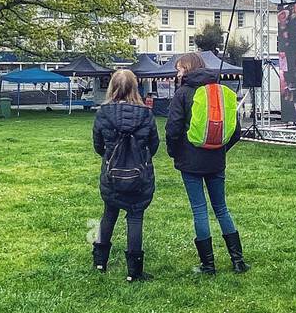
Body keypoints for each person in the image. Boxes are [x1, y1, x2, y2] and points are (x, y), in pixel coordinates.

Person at [165, 52, 249, 275]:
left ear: (188, 69)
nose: (177, 73)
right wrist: (220, 149)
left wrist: (175, 153)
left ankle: (208, 265)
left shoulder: (183, 94)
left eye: (180, 68)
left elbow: (172, 129)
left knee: (199, 210)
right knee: (222, 208)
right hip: (216, 160)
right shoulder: (222, 92)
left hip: (189, 161)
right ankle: (238, 261)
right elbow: (236, 132)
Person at [91, 69, 159, 282]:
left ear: (112, 87)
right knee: (135, 217)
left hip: (112, 173)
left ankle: (100, 261)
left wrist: (112, 156)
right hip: (139, 174)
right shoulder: (146, 113)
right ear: (135, 87)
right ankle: (134, 272)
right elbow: (154, 145)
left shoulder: (103, 113)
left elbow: (98, 145)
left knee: (109, 214)